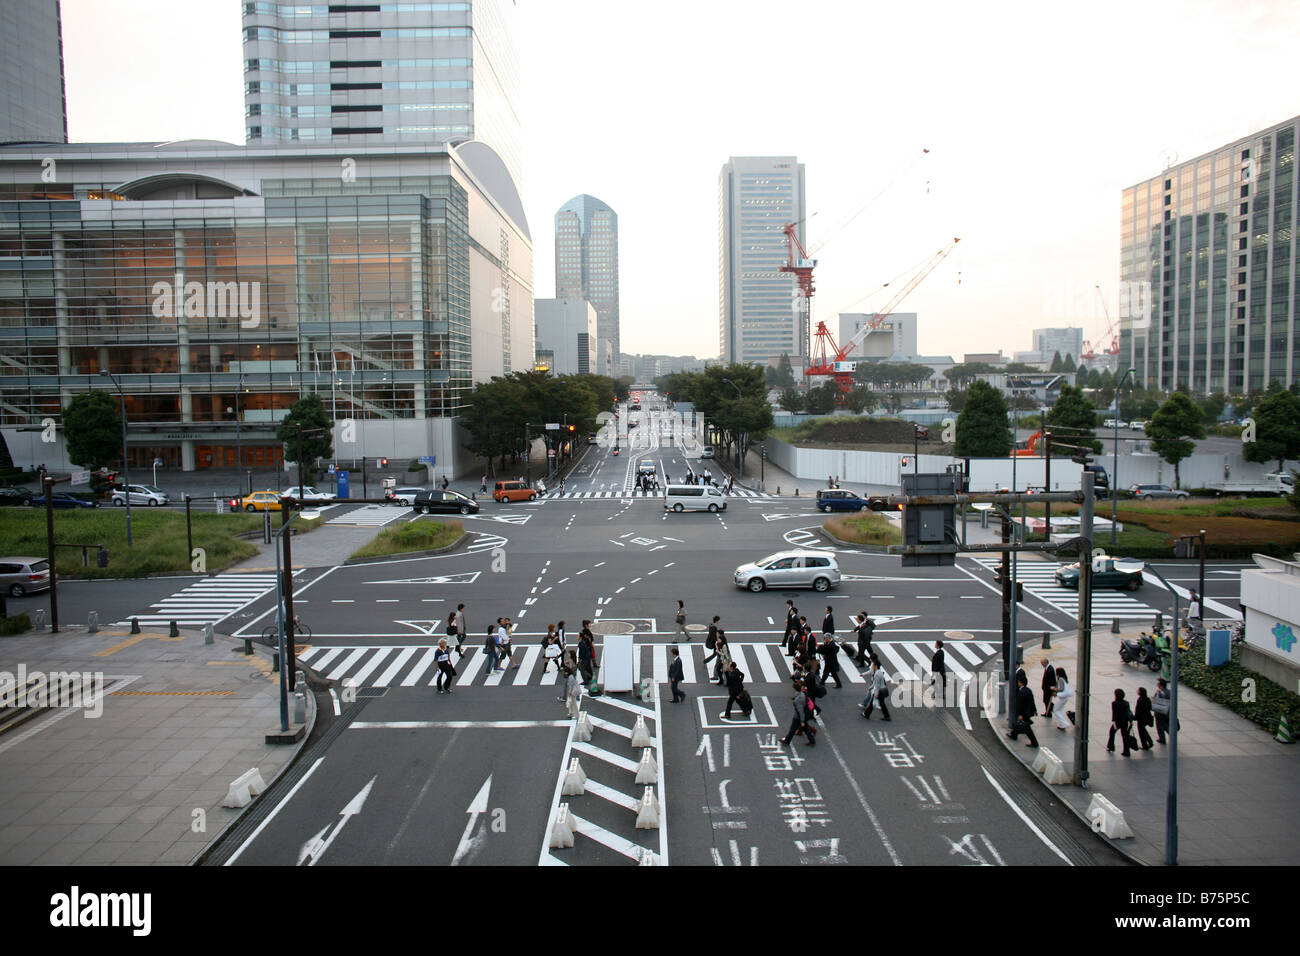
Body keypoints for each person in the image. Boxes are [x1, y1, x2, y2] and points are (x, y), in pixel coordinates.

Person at [781, 680, 817, 747]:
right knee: (805, 728)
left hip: (798, 717)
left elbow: (800, 711)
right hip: (803, 715)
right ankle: (812, 740)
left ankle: (787, 741)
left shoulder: (798, 700)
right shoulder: (802, 694)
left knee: (793, 728)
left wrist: (802, 721)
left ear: (795, 689)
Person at [1007, 674, 1038, 747]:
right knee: (1018, 724)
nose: (1018, 683)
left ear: (1021, 683)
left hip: (1024, 713)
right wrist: (1034, 710)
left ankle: (1034, 743)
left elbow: (1020, 705)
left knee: (1027, 728)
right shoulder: (1028, 690)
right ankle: (1013, 734)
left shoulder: (1021, 692)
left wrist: (1020, 714)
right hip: (1028, 712)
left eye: (1018, 682)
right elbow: (1032, 701)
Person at [1107, 687, 1134, 757]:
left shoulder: (1114, 703)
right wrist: (1130, 721)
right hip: (1125, 721)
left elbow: (1114, 713)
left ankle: (1111, 746)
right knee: (1125, 736)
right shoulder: (1126, 703)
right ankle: (1126, 751)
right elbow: (1129, 712)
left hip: (1118, 721)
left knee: (1112, 732)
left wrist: (1114, 722)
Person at [1153, 677, 1171, 744]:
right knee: (1163, 725)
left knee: (1160, 726)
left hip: (1161, 712)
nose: (1157, 685)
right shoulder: (1168, 692)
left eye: (1158, 684)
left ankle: (1162, 738)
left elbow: (1158, 701)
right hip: (1165, 712)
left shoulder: (1162, 693)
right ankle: (1167, 736)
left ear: (1161, 685)